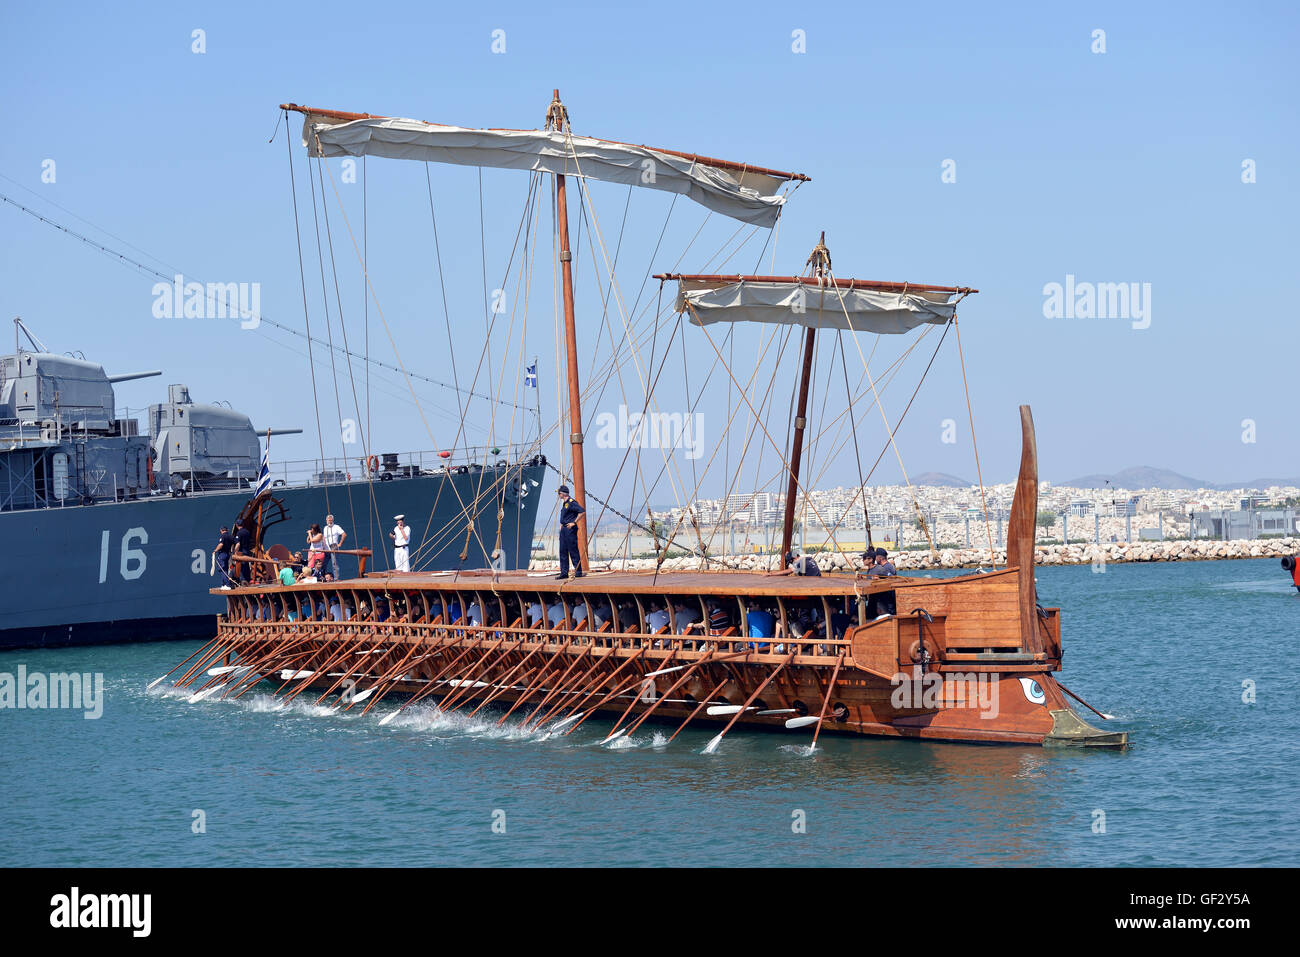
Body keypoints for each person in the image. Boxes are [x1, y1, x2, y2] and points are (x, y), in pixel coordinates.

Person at [555, 485, 585, 579]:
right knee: (563, 551)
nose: (558, 495)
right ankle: (564, 572)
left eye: (559, 493)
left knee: (573, 550)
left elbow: (582, 512)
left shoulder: (571, 502)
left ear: (562, 494)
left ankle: (578, 571)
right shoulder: (565, 504)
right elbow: (565, 517)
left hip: (570, 529)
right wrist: (561, 525)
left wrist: (574, 522)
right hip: (564, 529)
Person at [322, 514, 347, 580]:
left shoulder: (336, 527)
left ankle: (336, 578)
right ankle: (323, 577)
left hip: (334, 547)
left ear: (333, 520)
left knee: (334, 564)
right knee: (324, 564)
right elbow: (324, 538)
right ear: (326, 520)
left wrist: (340, 544)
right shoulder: (325, 528)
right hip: (326, 549)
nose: (329, 521)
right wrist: (323, 546)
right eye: (328, 520)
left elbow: (344, 534)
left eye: (331, 520)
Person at [233, 520, 254, 584]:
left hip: (241, 552)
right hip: (247, 551)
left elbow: (238, 544)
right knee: (246, 566)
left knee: (241, 566)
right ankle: (248, 579)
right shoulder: (247, 532)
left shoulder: (239, 533)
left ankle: (243, 580)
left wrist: (235, 551)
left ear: (237, 525)